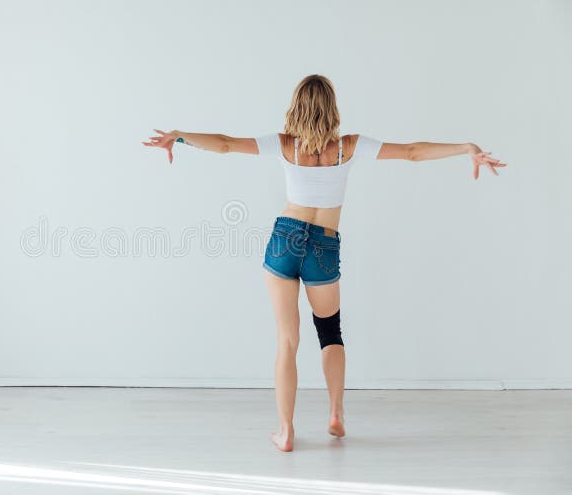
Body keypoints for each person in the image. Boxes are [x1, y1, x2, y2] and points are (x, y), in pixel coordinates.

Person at [142, 74, 506, 452]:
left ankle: (285, 432)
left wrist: (181, 136)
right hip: (323, 246)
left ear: (296, 106)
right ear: (332, 109)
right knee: (329, 332)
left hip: (285, 238)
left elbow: (225, 145)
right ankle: (335, 413)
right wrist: (465, 147)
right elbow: (413, 151)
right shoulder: (348, 147)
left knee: (287, 340)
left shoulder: (284, 145)